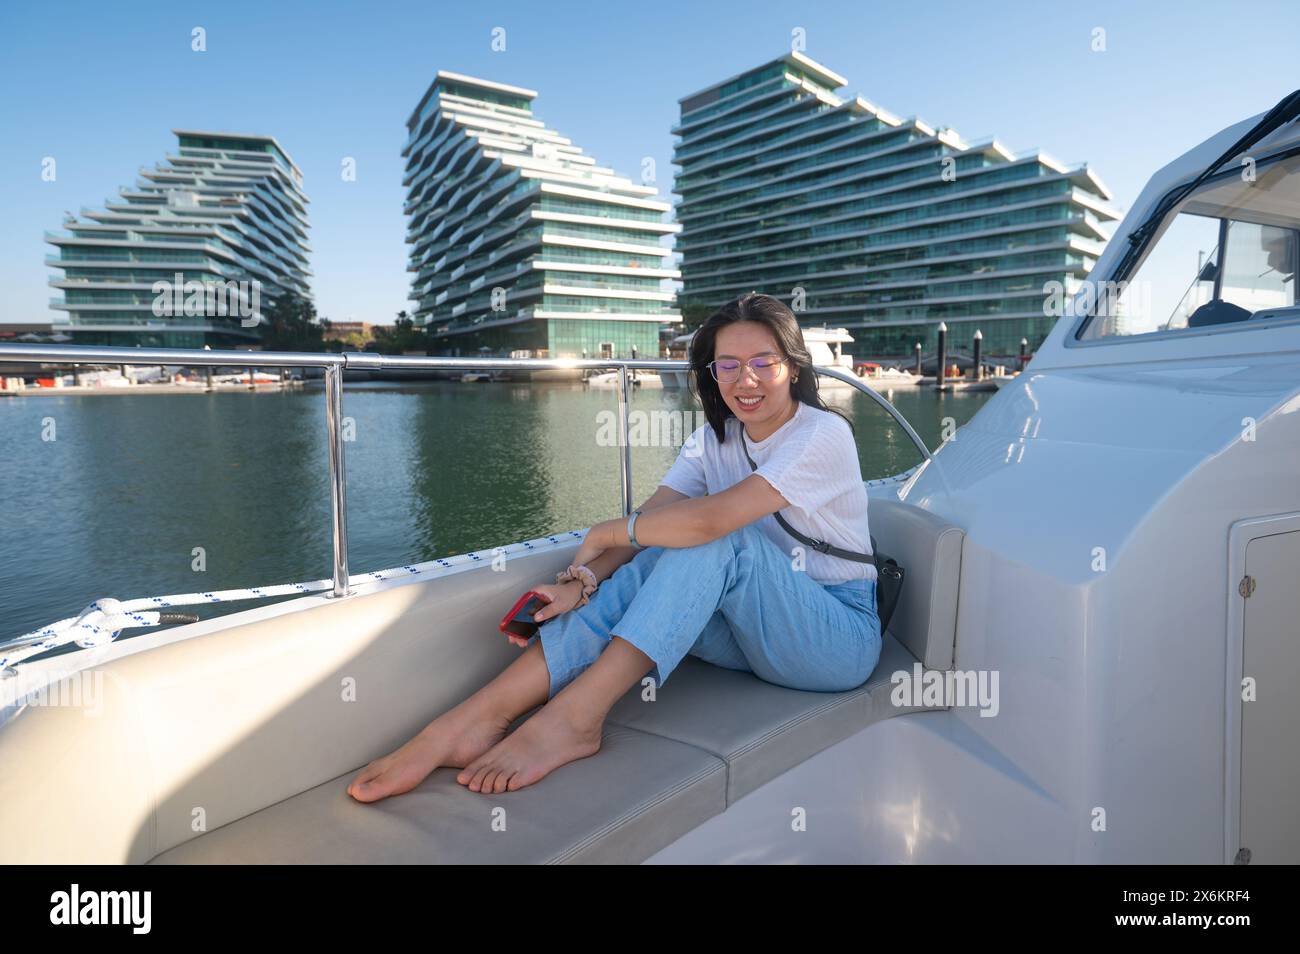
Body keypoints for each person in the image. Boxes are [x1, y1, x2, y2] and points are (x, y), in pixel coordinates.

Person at [347, 292, 882, 802]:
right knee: (663, 546)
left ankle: (575, 720)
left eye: (764, 362)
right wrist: (586, 580)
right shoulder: (712, 440)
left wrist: (605, 531)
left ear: (793, 366)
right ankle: (473, 719)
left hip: (834, 639)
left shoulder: (823, 434)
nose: (746, 379)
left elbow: (708, 523)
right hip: (750, 635)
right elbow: (655, 519)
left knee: (718, 539)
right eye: (728, 365)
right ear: (710, 372)